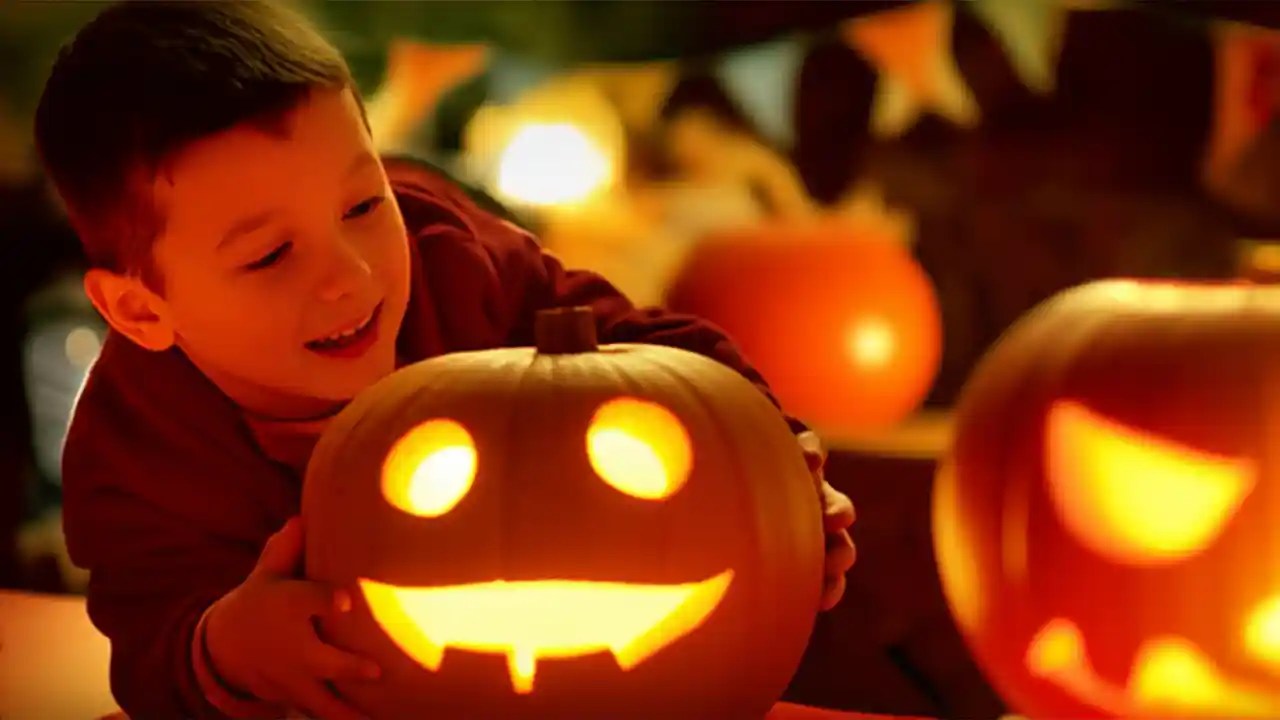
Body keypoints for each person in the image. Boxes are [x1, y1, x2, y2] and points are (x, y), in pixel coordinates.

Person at [34, 2, 857, 718]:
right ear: (141, 311)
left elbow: (662, 357)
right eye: (270, 255)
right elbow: (147, 650)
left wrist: (777, 466)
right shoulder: (136, 447)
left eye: (363, 204)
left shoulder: (455, 262)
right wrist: (221, 649)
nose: (349, 274)